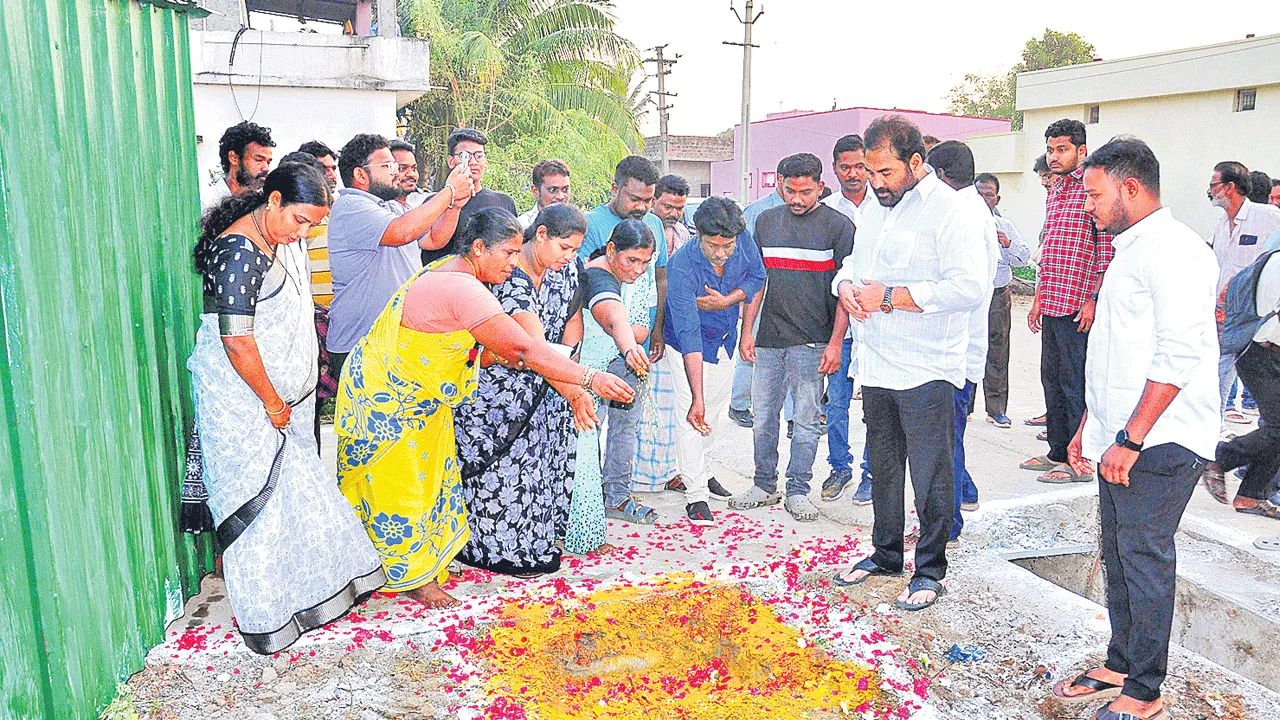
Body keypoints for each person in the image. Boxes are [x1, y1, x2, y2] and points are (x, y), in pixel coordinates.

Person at [337, 208, 633, 606]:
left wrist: (496, 358)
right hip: (389, 399)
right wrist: (589, 380)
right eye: (508, 253)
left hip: (423, 398)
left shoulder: (461, 273)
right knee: (401, 490)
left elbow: (474, 348)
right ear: (479, 248)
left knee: (433, 483)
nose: (513, 262)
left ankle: (423, 564)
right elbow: (524, 347)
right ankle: (411, 578)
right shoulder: (462, 287)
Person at [1052, 137, 1219, 720]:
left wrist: (1131, 438)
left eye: (1094, 195)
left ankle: (1145, 690)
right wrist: (1090, 427)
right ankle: (1121, 662)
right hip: (1120, 437)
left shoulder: (1175, 250)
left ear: (1131, 187)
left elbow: (1179, 353)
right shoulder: (1129, 248)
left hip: (1161, 439)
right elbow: (1115, 353)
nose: (1087, 206)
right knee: (1120, 555)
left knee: (1144, 559)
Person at [187, 163, 385, 654]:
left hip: (277, 402)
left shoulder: (276, 239)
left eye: (313, 225)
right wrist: (273, 402)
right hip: (244, 404)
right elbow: (237, 342)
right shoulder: (238, 251)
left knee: (296, 499)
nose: (304, 233)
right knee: (256, 510)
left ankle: (300, 595)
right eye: (300, 220)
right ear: (272, 200)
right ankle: (266, 617)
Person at [830, 115, 987, 611]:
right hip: (877, 364)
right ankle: (885, 555)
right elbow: (853, 265)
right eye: (870, 172)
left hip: (928, 367)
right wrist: (846, 287)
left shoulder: (951, 210)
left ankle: (931, 570)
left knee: (931, 475)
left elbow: (969, 287)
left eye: (885, 173)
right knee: (883, 467)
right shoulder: (876, 210)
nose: (875, 183)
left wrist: (892, 297)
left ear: (916, 162)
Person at [453, 205, 598, 575]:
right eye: (565, 247)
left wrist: (568, 367)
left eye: (576, 250)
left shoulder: (565, 272)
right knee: (505, 476)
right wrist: (578, 387)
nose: (570, 256)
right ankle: (493, 551)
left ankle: (536, 543)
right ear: (542, 234)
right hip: (499, 395)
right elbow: (530, 347)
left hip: (548, 383)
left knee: (538, 472)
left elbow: (572, 320)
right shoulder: (509, 276)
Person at [729, 152, 852, 523]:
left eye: (805, 192)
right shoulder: (766, 222)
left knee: (806, 421)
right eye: (789, 191)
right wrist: (747, 331)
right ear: (780, 185)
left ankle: (798, 490)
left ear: (820, 186)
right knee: (763, 418)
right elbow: (756, 282)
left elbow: (845, 291)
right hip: (769, 340)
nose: (796, 199)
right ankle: (764, 485)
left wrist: (835, 343)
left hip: (813, 343)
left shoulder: (839, 227)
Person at [325, 134, 473, 375]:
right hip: (362, 343)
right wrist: (450, 191)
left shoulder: (392, 206)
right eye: (387, 166)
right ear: (360, 174)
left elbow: (434, 239)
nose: (395, 172)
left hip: (393, 340)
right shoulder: (351, 206)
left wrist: (454, 206)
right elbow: (402, 233)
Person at [663, 197, 767, 525]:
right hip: (686, 346)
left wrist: (730, 305)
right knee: (691, 413)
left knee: (713, 412)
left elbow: (757, 278)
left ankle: (704, 472)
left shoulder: (742, 238)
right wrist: (697, 395)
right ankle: (695, 494)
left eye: (727, 246)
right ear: (698, 235)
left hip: (725, 338)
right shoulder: (681, 266)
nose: (721, 253)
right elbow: (689, 335)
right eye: (713, 245)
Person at [1020, 119, 1114, 484]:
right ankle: (1057, 452)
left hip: (1079, 306)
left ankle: (1080, 460)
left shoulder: (1092, 189)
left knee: (1076, 384)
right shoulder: (1055, 189)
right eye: (1050, 150)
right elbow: (1050, 251)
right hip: (1053, 301)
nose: (1054, 156)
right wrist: (1038, 300)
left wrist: (1093, 299)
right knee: (1052, 380)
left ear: (1081, 151)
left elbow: (1104, 251)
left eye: (1062, 149)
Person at [579, 156, 672, 507]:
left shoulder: (654, 225)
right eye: (635, 199)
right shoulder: (591, 225)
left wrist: (655, 331)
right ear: (615, 189)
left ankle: (616, 495)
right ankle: (583, 501)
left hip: (636, 346)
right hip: (594, 347)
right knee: (589, 426)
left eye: (648, 200)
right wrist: (625, 338)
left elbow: (658, 279)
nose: (642, 207)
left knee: (626, 426)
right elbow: (590, 288)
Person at [928, 140, 999, 543]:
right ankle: (965, 492)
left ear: (940, 175)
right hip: (960, 346)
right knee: (949, 436)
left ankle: (947, 525)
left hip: (955, 350)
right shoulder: (972, 208)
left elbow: (959, 288)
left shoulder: (961, 213)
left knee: (944, 442)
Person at [573, 219, 659, 543]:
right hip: (586, 374)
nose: (638, 270)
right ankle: (581, 520)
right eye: (631, 260)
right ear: (611, 250)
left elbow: (642, 327)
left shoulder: (638, 277)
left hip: (622, 364)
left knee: (624, 431)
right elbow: (613, 318)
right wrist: (628, 345)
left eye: (645, 262)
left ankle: (614, 498)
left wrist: (630, 343)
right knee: (584, 442)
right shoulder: (594, 275)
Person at [820, 134, 886, 506]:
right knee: (836, 405)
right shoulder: (827, 211)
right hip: (838, 325)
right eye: (845, 167)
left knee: (876, 407)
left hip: (878, 323)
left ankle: (871, 473)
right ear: (835, 169)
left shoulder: (888, 204)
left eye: (860, 166)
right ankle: (839, 468)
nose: (854, 174)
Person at [1200, 249, 1280, 516]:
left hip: (1269, 351)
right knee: (1278, 427)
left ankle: (1251, 496)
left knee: (1276, 427)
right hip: (1258, 352)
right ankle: (1220, 459)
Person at [1207, 161, 1280, 423]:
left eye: (1213, 185)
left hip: (1256, 317)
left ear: (1230, 187)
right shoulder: (1221, 225)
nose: (1209, 191)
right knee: (1217, 377)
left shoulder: (1267, 216)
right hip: (1225, 316)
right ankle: (1214, 432)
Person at [635, 174, 695, 495]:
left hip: (674, 332)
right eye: (667, 206)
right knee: (642, 408)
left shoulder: (685, 236)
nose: (673, 213)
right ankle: (637, 475)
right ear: (653, 200)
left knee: (671, 407)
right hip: (640, 330)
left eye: (679, 208)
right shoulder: (640, 229)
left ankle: (670, 470)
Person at [974, 173, 1032, 429]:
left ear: (997, 199)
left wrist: (1007, 244)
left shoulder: (1004, 226)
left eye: (988, 195)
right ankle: (963, 407)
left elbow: (1024, 258)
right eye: (978, 194)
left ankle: (996, 410)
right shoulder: (962, 223)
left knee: (997, 351)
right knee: (966, 348)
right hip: (971, 297)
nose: (983, 199)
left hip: (997, 295)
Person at [423, 128, 517, 266]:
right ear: (451, 161)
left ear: (486, 161)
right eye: (465, 156)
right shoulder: (433, 204)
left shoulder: (504, 202)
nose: (473, 162)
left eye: (479, 156)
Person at [205, 121, 275, 210]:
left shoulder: (265, 206)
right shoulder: (206, 203)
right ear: (233, 158)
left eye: (268, 162)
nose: (266, 168)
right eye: (259, 160)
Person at [517, 159, 572, 229]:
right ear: (536, 191)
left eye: (565, 190)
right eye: (553, 190)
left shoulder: (578, 225)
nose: (561, 196)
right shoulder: (522, 227)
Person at [388, 139, 425, 208]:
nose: (411, 174)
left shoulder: (410, 206)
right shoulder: (380, 208)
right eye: (402, 168)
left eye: (414, 168)